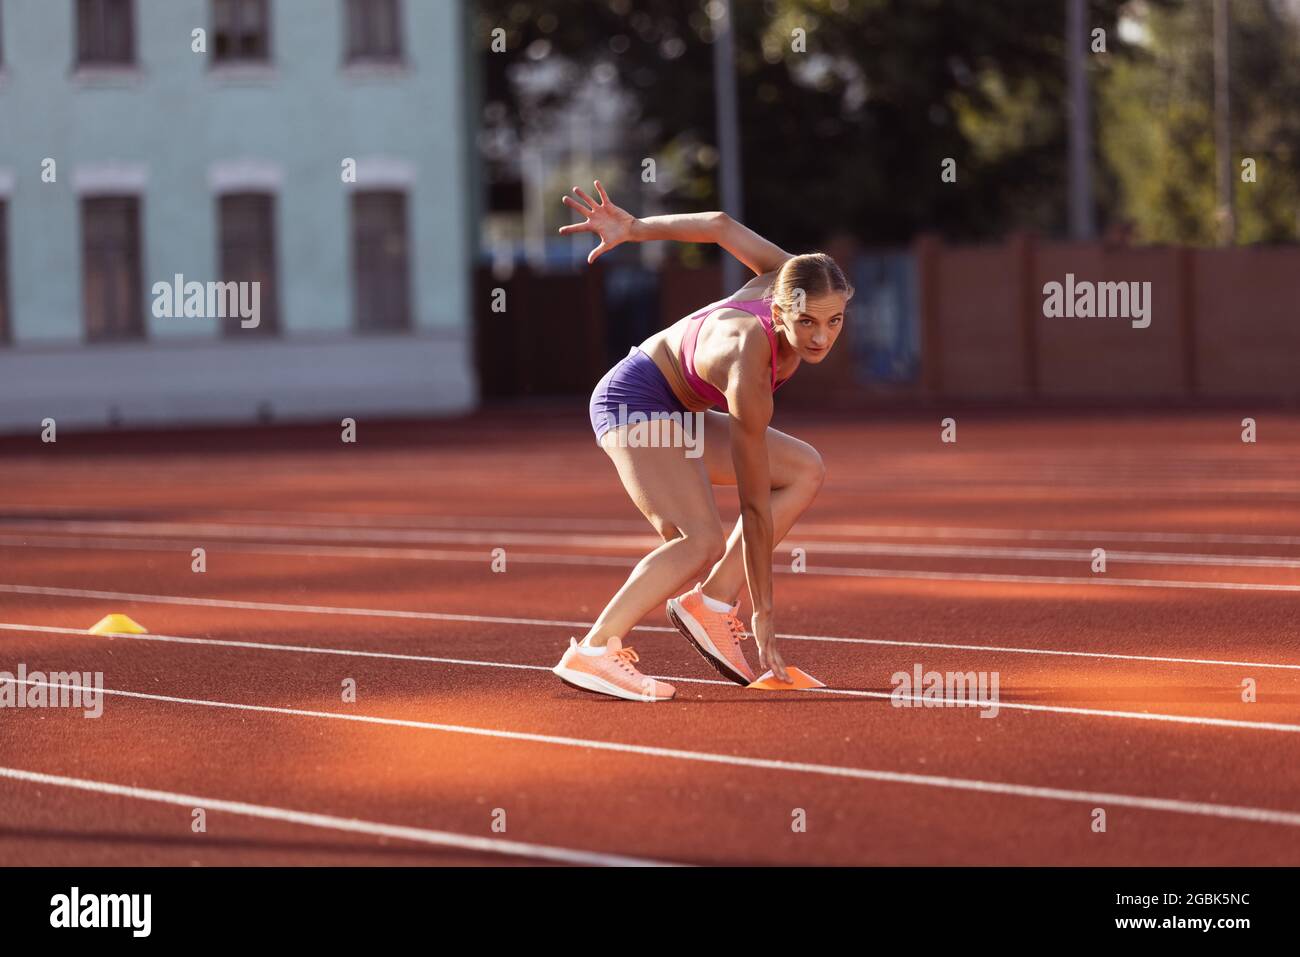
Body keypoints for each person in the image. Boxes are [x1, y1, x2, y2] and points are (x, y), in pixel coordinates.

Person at [551, 181, 853, 701]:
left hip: (679, 408)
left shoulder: (793, 277)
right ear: (780, 311)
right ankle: (595, 649)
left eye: (834, 321)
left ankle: (710, 605)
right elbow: (754, 506)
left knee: (805, 468)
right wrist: (764, 617)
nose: (820, 338)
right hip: (634, 399)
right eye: (806, 322)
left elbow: (717, 225)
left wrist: (634, 229)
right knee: (698, 539)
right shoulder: (747, 368)